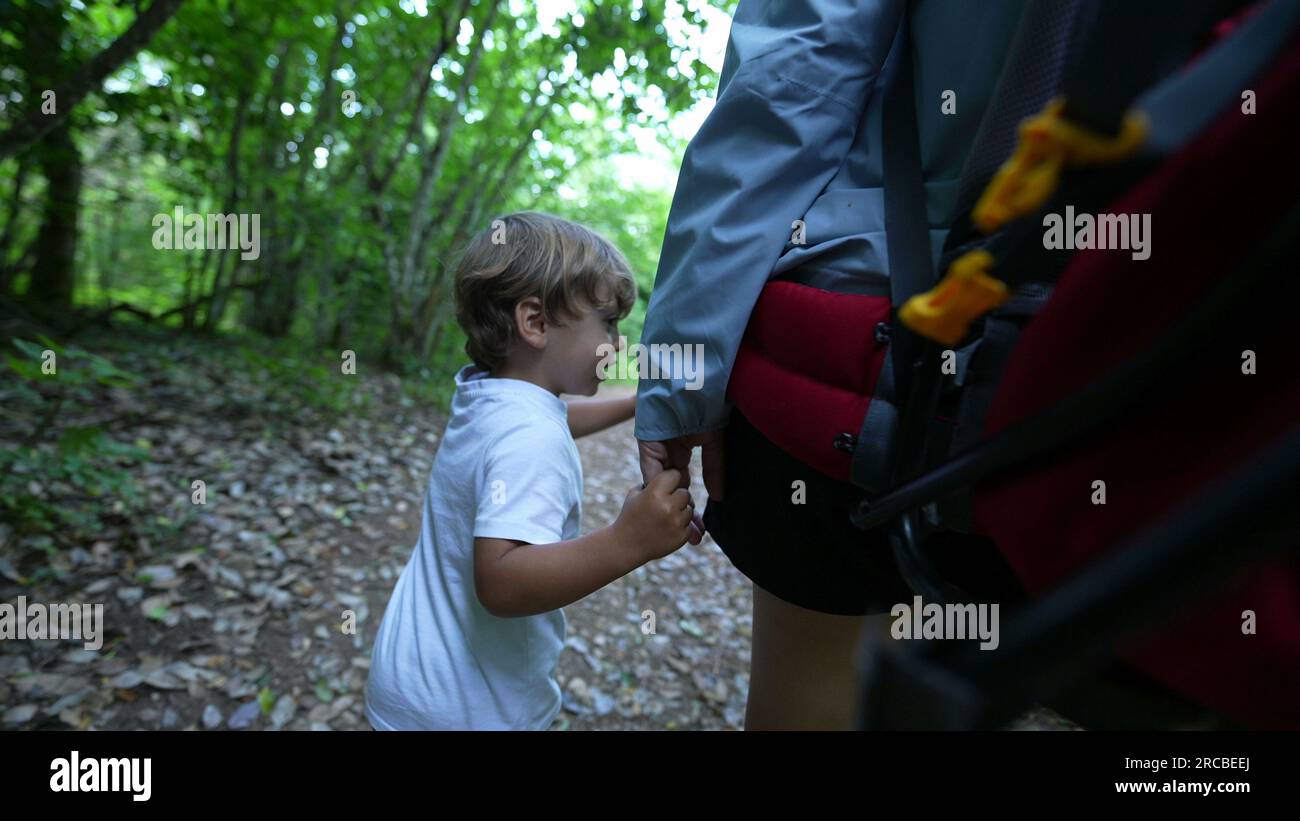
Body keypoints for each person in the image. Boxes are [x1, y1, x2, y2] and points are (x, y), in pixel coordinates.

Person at [634, 0, 1029, 729]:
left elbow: (790, 79)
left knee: (817, 687)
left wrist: (684, 380)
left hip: (855, 347)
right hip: (1103, 375)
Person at [365, 211, 703, 730]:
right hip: (471, 709)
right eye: (607, 323)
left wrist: (635, 403)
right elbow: (501, 583)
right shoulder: (530, 437)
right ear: (536, 323)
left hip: (413, 680)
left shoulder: (489, 397)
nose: (616, 343)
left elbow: (552, 419)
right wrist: (627, 541)